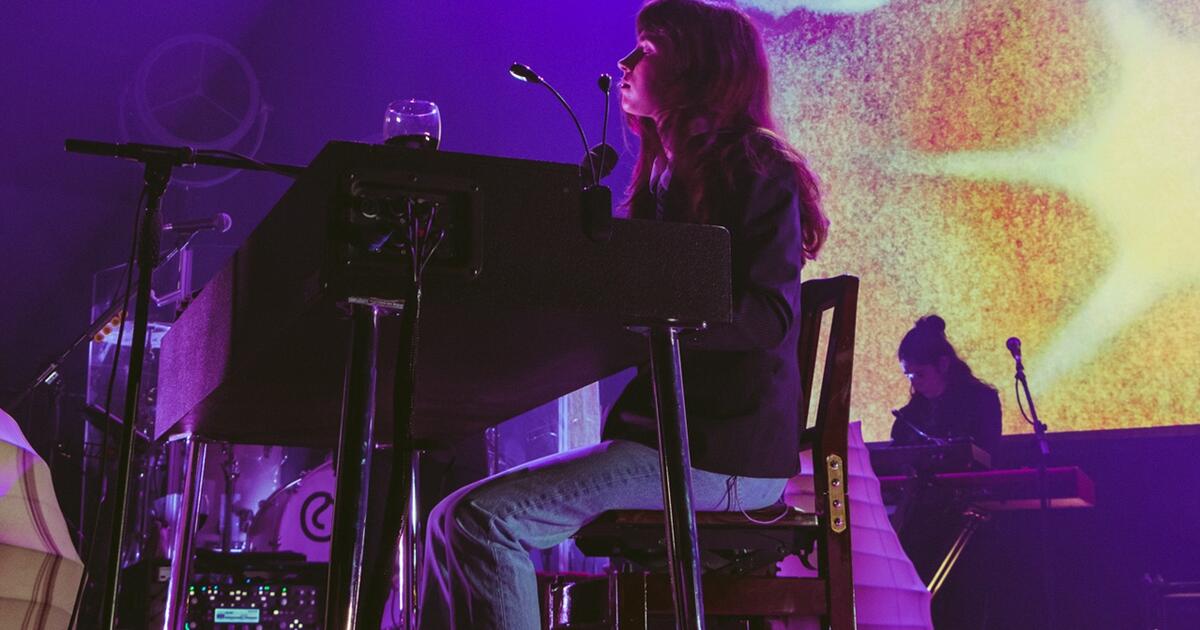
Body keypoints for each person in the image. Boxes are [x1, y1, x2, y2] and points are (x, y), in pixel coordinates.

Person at [417, 1, 829, 627]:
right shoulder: (666, 173)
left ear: (697, 67)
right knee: (447, 517)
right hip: (670, 444)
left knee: (482, 521)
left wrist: (652, 317)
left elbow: (769, 316)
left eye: (648, 49)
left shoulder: (756, 167)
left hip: (724, 456)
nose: (626, 61)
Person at [889, 315, 1002, 455]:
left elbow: (989, 455)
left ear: (943, 364)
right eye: (908, 376)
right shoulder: (908, 417)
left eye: (920, 374)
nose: (914, 383)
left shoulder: (982, 401)